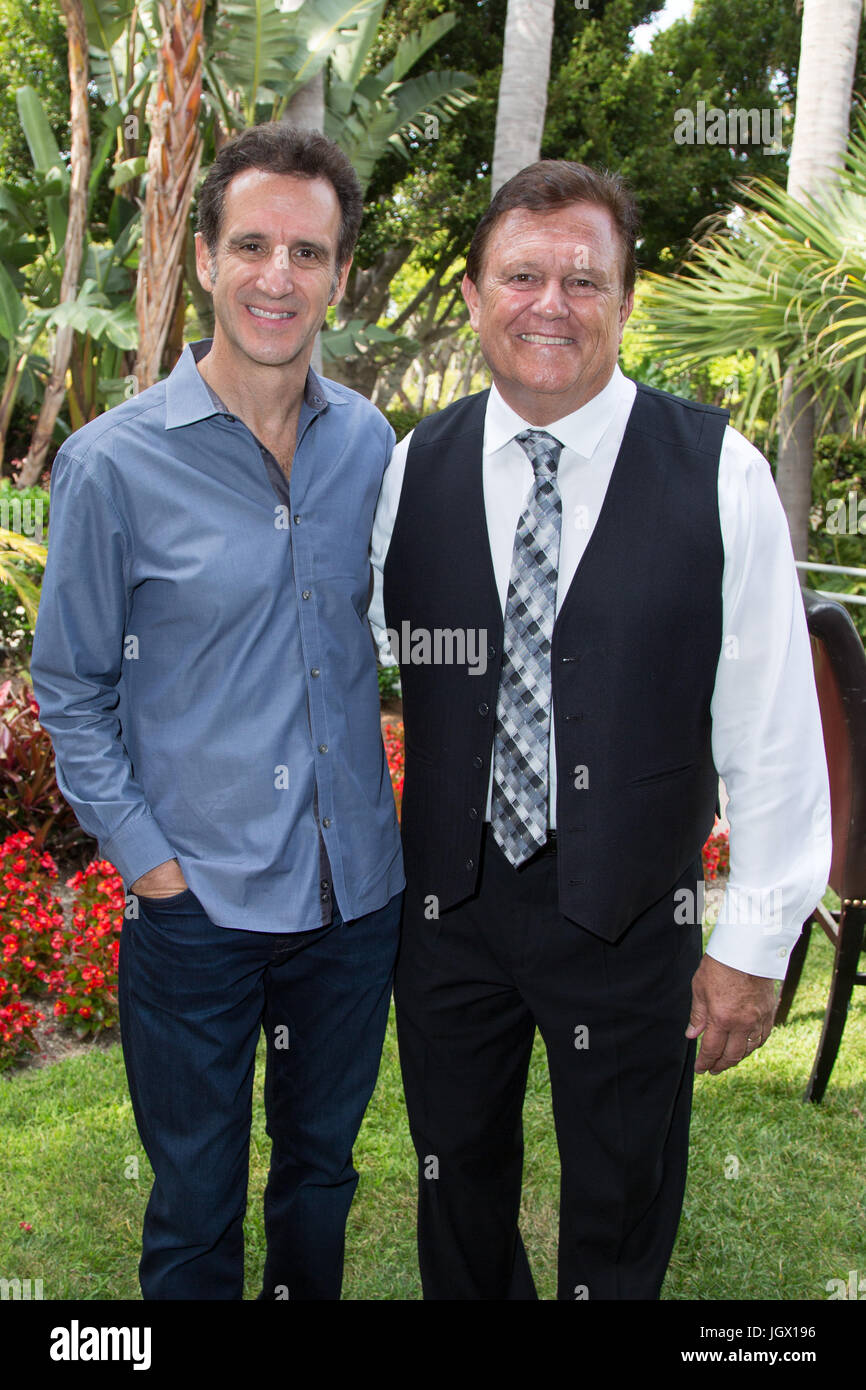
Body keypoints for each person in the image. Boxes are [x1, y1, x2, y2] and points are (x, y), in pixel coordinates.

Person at [369, 160, 831, 1301]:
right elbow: (364, 663)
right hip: (449, 916)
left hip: (630, 913)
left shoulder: (715, 472)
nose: (550, 303)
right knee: (454, 1191)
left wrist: (751, 941)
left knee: (621, 1206)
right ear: (474, 296)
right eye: (520, 275)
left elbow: (770, 725)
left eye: (584, 278)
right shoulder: (407, 467)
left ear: (625, 300)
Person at [30, 122, 404, 1300]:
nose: (276, 276)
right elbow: (72, 685)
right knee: (194, 1204)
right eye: (251, 244)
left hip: (352, 904)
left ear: (338, 274)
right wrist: (150, 869)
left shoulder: (371, 447)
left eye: (306, 251)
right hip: (197, 907)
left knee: (321, 1174)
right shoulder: (111, 464)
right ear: (203, 260)